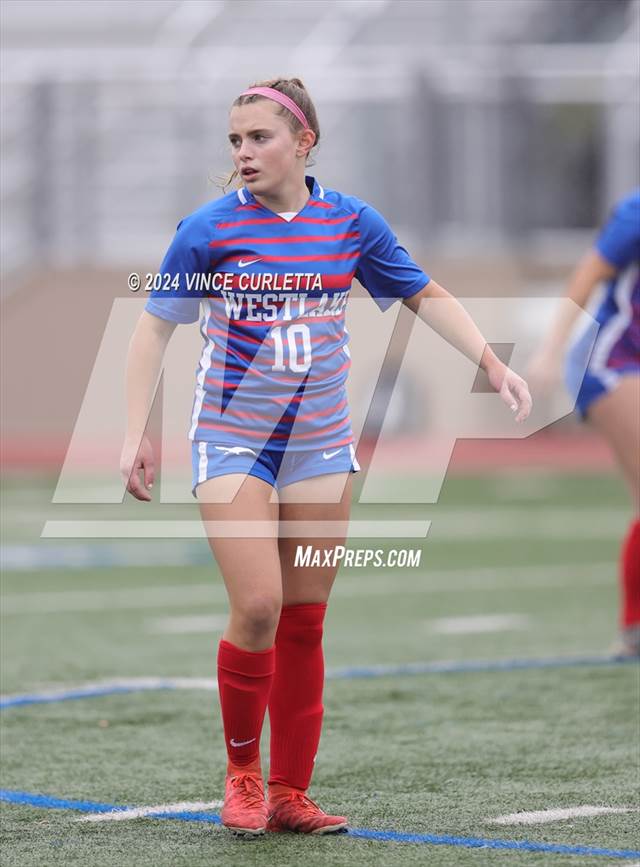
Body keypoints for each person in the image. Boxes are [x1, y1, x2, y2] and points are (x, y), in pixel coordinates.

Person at [120, 77, 532, 837]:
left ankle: (289, 792)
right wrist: (133, 428)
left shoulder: (350, 221)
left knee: (305, 620)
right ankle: (242, 774)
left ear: (303, 142)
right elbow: (152, 327)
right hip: (233, 436)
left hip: (320, 444)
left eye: (259, 137)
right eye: (235, 140)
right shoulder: (207, 229)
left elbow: (424, 293)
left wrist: (491, 361)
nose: (243, 152)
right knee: (259, 606)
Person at [528, 189, 639, 658]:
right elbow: (586, 276)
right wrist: (550, 351)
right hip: (612, 360)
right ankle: (633, 630)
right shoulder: (637, 212)